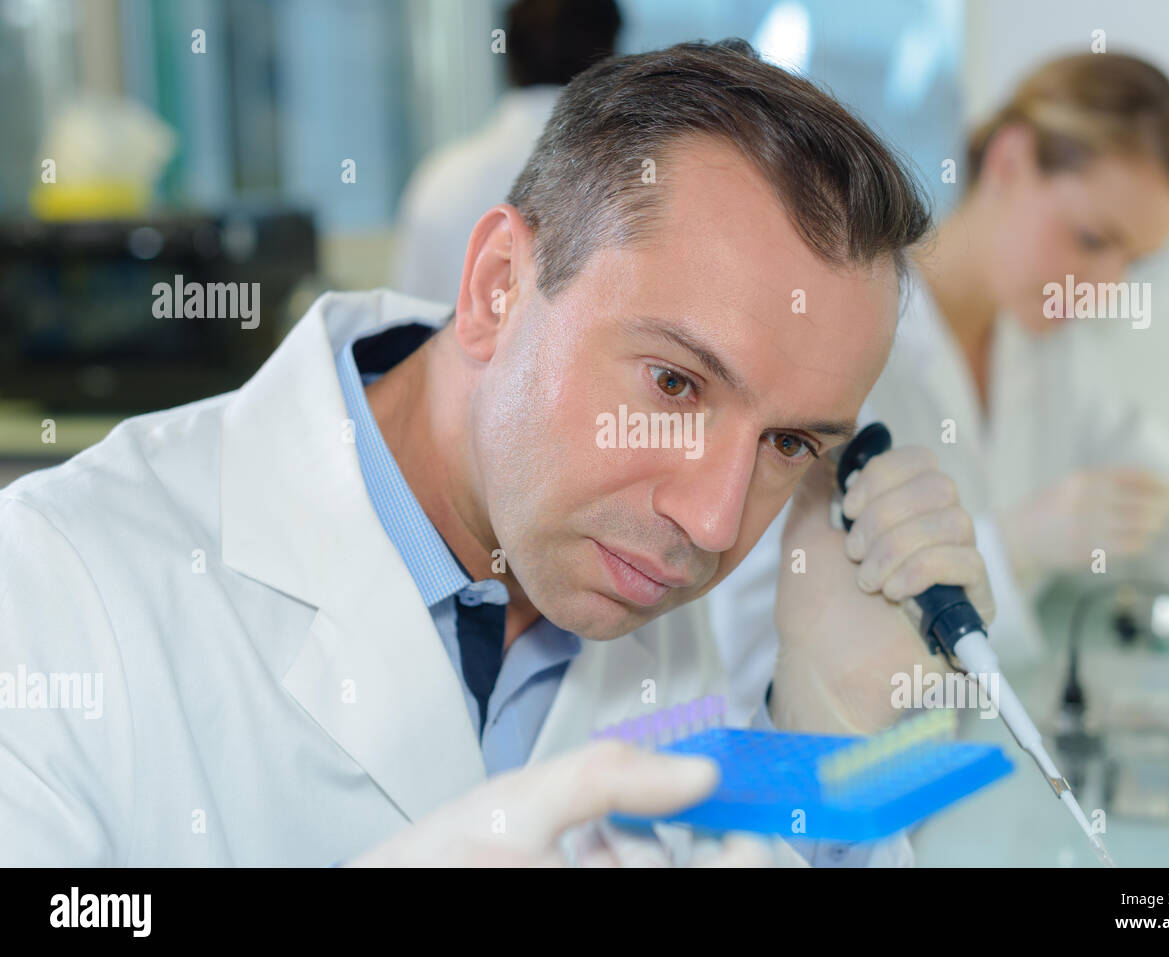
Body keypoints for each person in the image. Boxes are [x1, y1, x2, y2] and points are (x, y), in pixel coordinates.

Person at [0, 39, 994, 867]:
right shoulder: (56, 588)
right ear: (495, 286)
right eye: (673, 385)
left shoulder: (624, 579)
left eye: (786, 443)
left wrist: (830, 750)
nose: (715, 521)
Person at [710, 51, 1169, 717]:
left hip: (966, 755)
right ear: (1011, 160)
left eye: (1132, 262)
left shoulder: (1053, 357)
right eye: (1091, 239)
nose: (1105, 288)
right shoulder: (843, 334)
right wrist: (1014, 544)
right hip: (825, 768)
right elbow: (747, 643)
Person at [391, 0, 622, 303]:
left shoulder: (440, 177)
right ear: (613, 55)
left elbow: (408, 316)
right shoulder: (627, 176)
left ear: (509, 58)